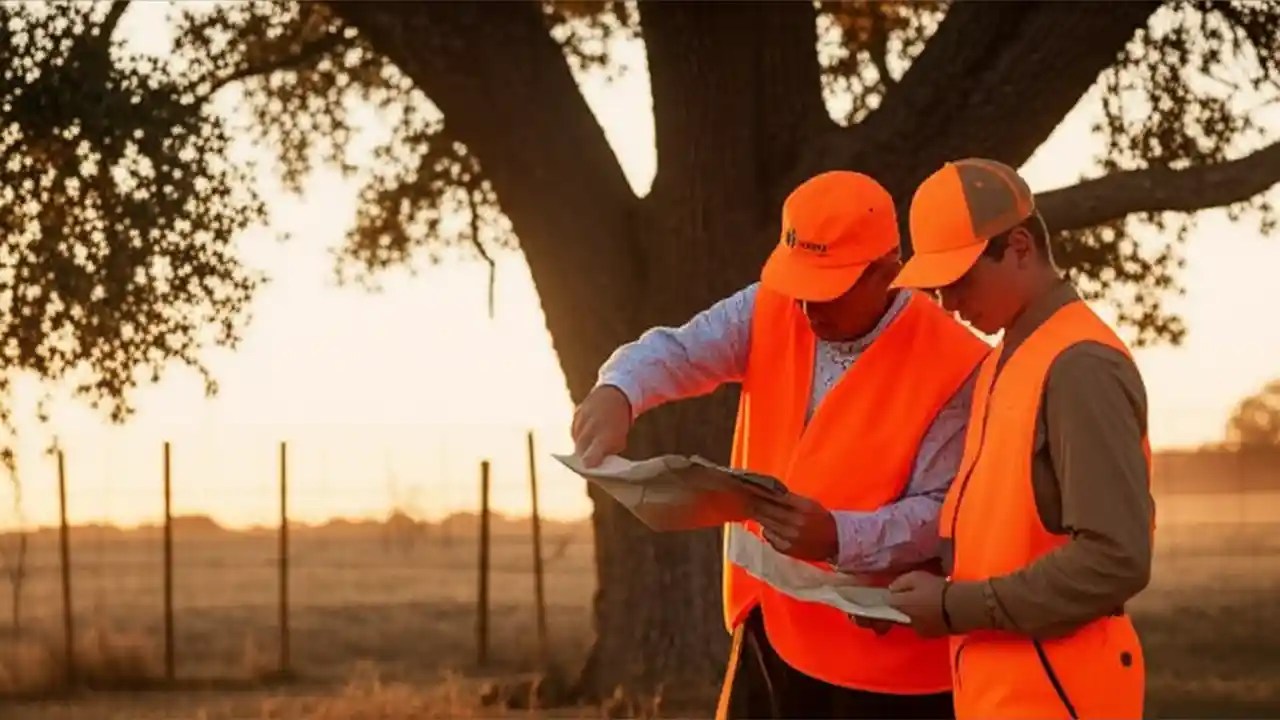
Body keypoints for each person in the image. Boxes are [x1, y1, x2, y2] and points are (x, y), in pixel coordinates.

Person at [570, 170, 989, 719]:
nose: (809, 308)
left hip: (889, 677)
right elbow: (682, 350)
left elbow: (944, 513)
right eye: (800, 283)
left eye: (829, 289)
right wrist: (619, 390)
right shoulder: (770, 305)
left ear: (888, 272)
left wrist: (839, 536)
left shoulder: (956, 364)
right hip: (771, 637)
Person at [885, 157, 1155, 720]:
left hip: (1063, 695)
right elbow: (1005, 533)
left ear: (1020, 248)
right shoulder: (1007, 358)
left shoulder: (1080, 365)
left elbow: (1114, 560)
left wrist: (956, 606)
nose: (948, 305)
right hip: (1007, 693)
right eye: (936, 289)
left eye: (959, 281)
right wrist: (911, 593)